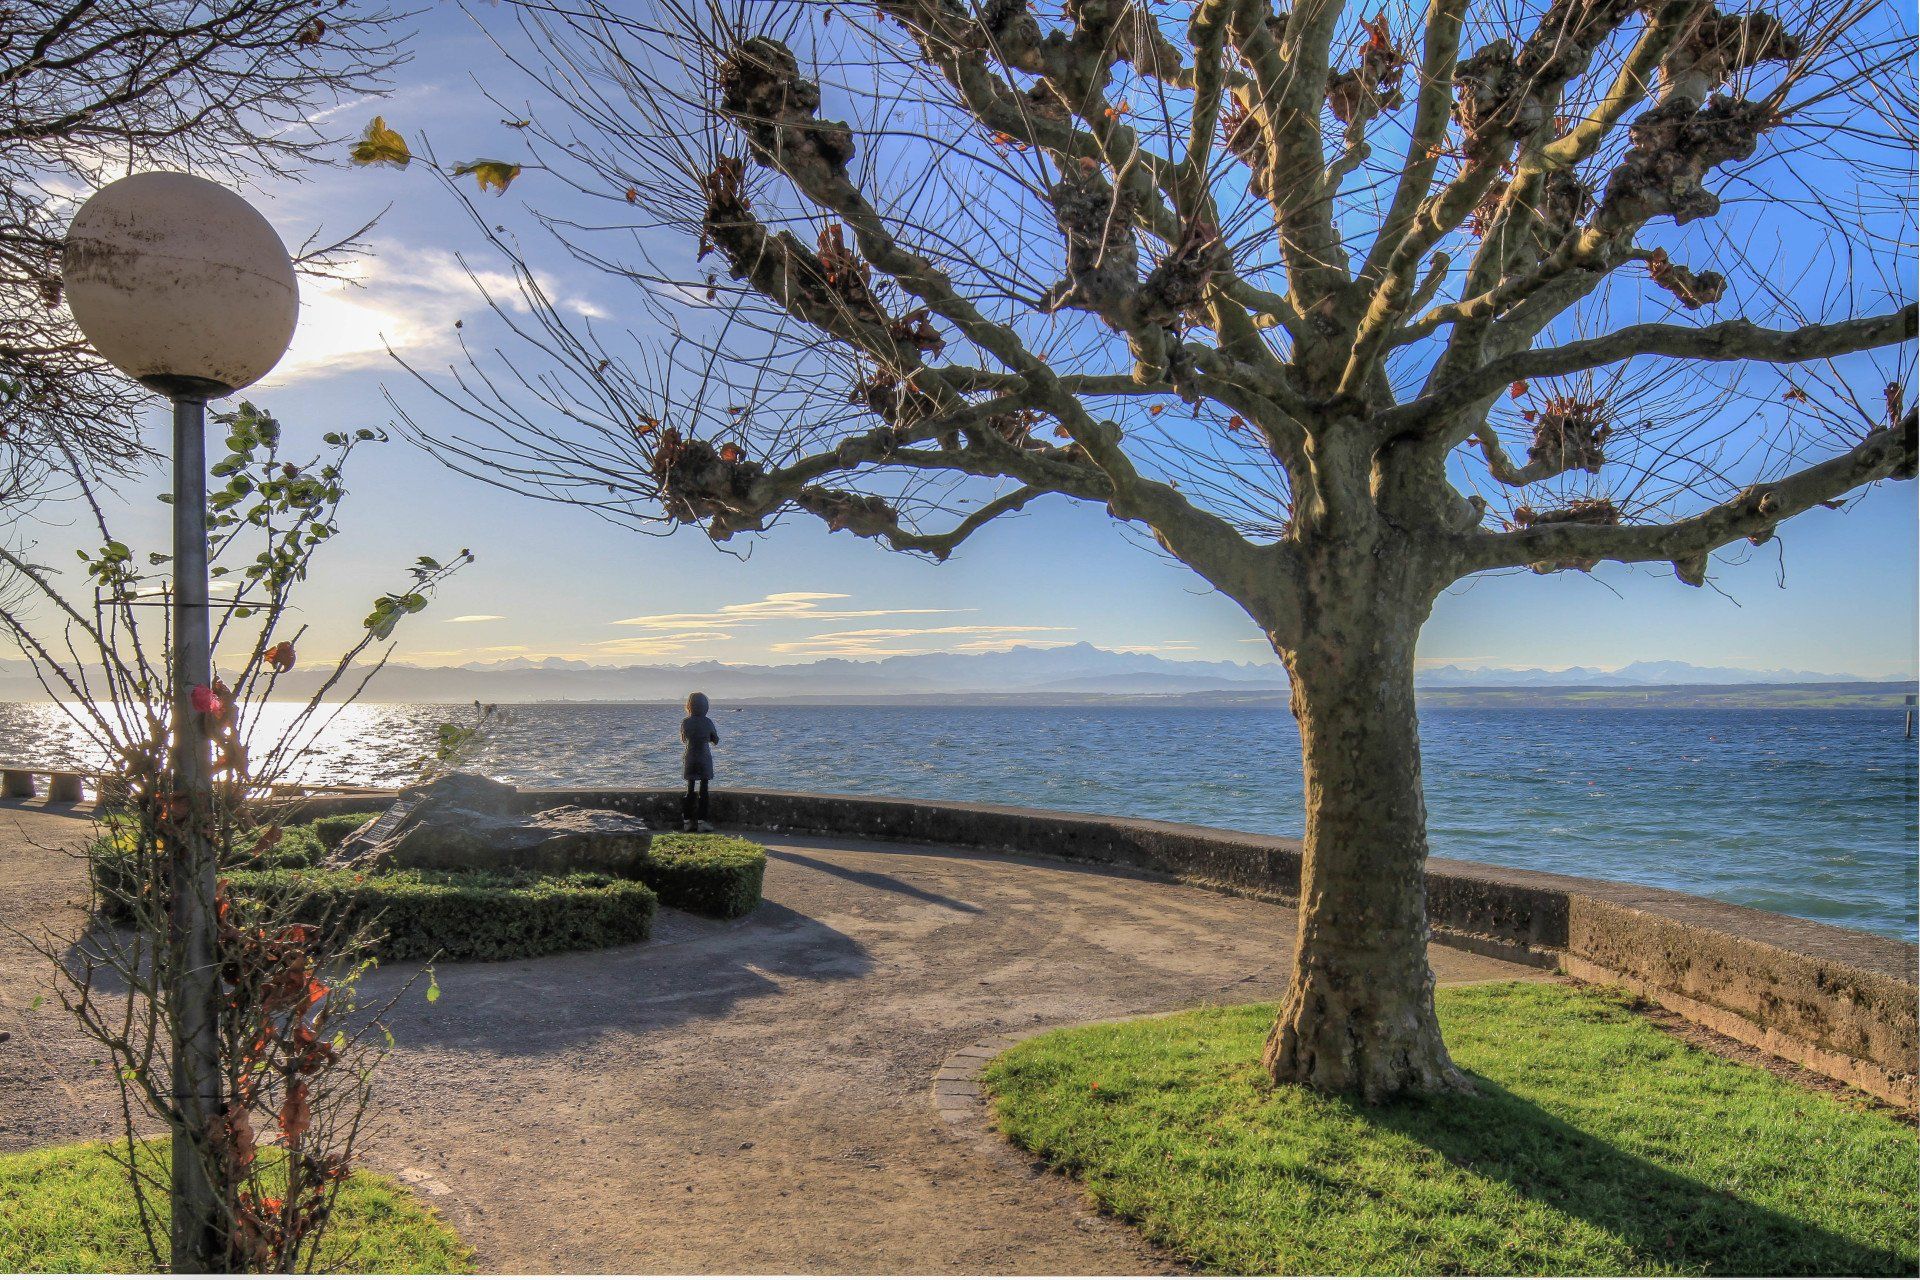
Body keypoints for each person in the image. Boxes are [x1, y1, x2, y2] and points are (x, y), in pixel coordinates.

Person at [679, 692, 719, 832]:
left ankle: (687, 822)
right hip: (704, 758)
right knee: (704, 790)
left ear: (689, 705)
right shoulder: (707, 721)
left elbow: (684, 738)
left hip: (690, 757)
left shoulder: (685, 722)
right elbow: (715, 740)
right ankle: (702, 822)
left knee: (690, 790)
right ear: (705, 706)